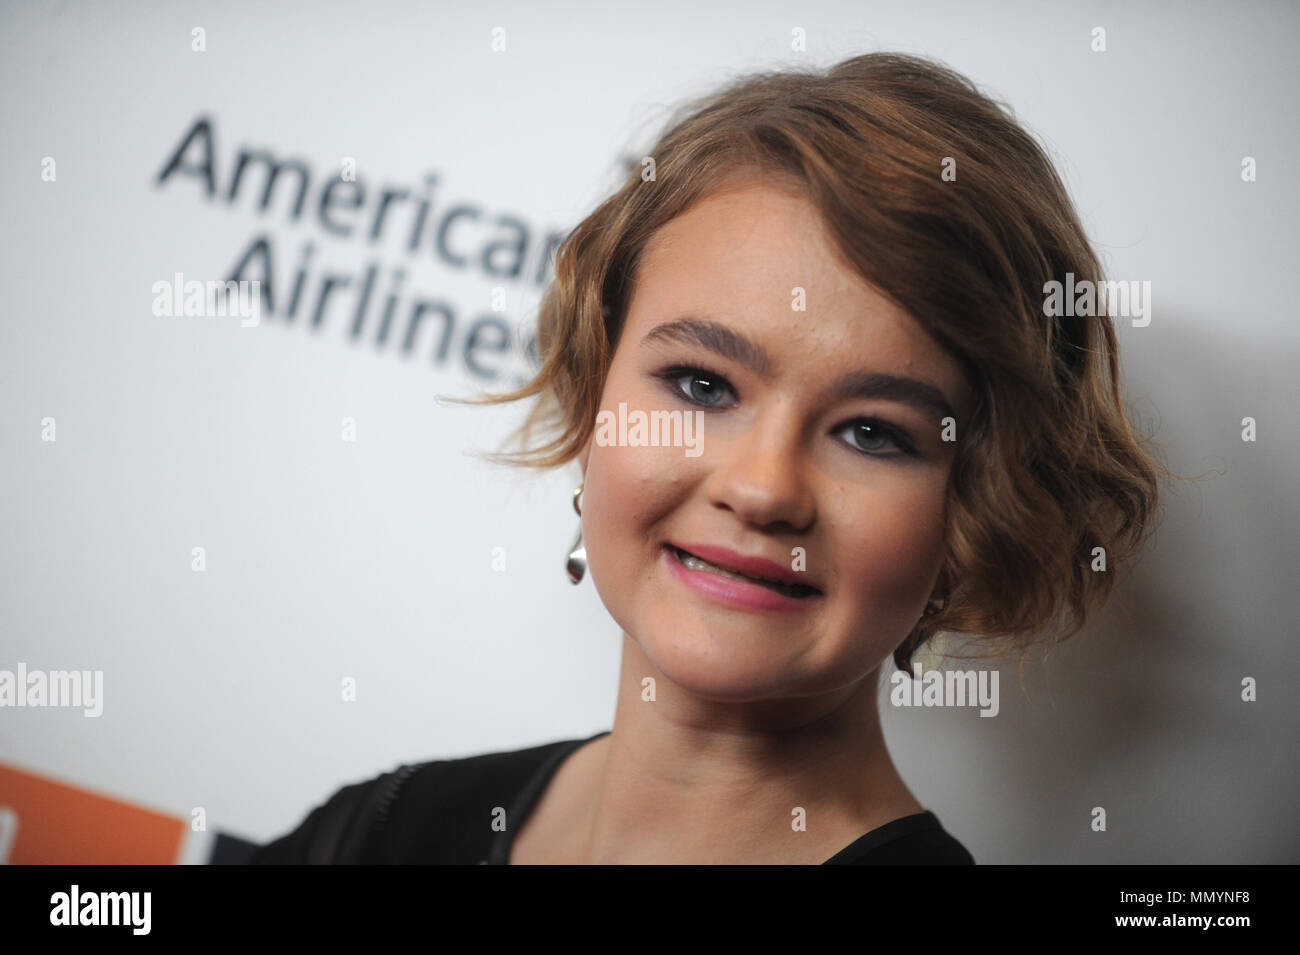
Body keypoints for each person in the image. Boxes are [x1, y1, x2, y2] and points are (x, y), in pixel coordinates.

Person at [250, 51, 1166, 865]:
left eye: (874, 432)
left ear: (977, 508)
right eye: (700, 385)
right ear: (591, 392)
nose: (763, 487)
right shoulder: (386, 829)